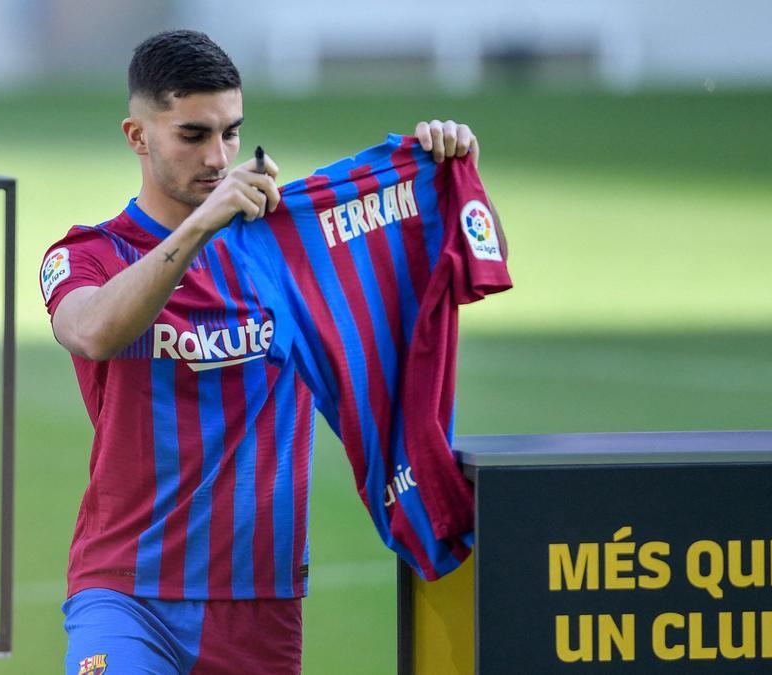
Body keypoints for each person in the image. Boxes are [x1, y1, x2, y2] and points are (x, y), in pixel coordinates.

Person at [40, 30, 479, 675]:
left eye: (232, 133)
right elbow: (93, 330)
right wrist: (200, 226)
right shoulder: (88, 254)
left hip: (261, 598)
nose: (218, 157)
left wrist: (440, 165)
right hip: (126, 588)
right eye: (193, 135)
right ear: (137, 135)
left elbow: (406, 263)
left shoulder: (289, 257)